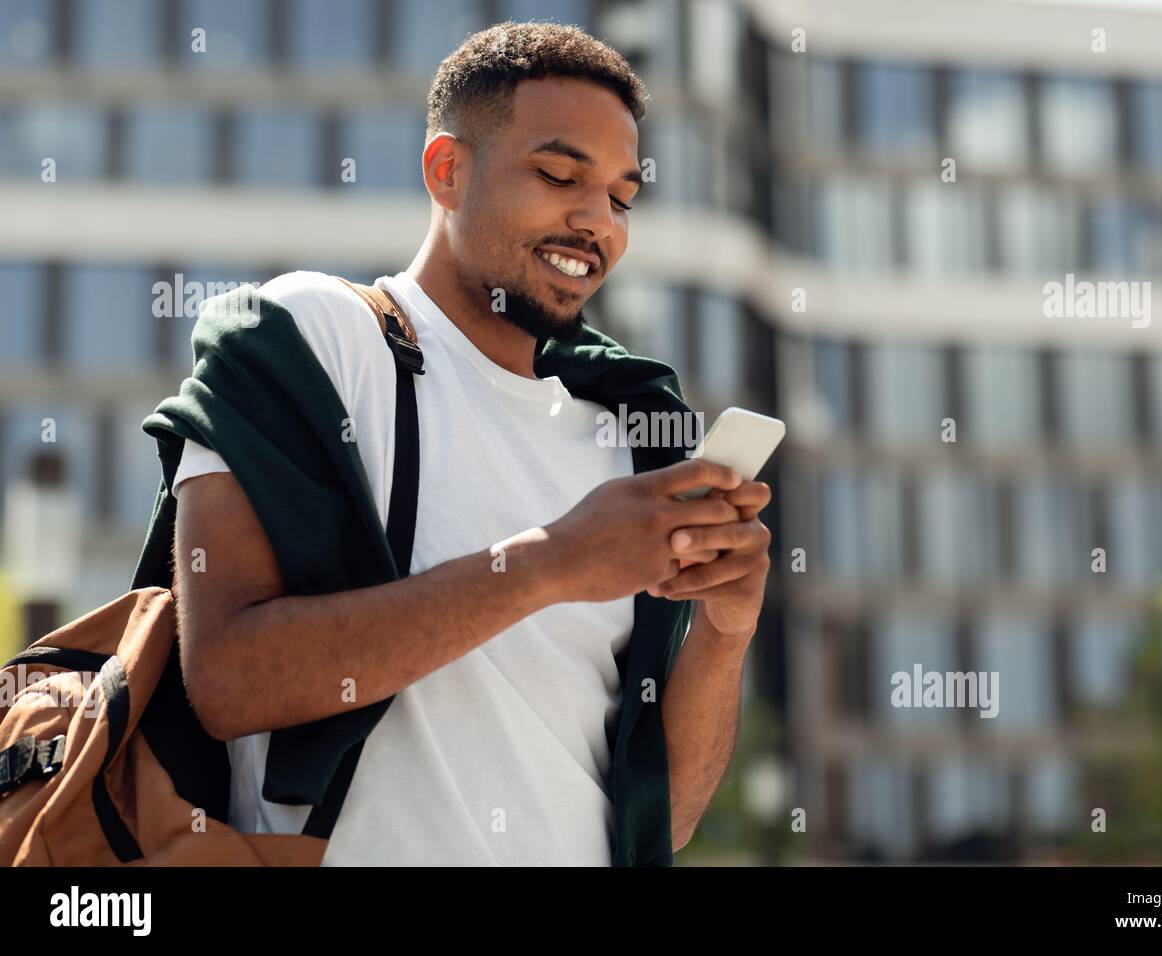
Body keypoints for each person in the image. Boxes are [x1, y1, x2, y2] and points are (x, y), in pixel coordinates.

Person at [145, 21, 772, 866]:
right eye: (558, 175)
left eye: (623, 198)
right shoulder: (314, 340)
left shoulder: (628, 434)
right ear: (447, 171)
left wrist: (726, 631)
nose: (598, 223)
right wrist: (551, 564)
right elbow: (227, 678)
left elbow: (664, 819)